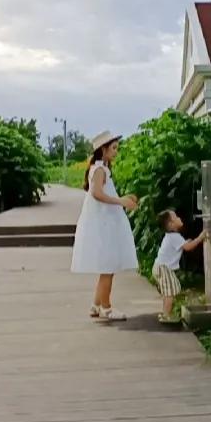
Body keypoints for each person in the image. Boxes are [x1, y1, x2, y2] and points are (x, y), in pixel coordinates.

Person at [71, 131, 139, 321]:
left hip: (104, 221)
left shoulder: (100, 168)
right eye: (114, 148)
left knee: (106, 265)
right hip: (104, 224)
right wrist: (121, 201)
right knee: (108, 266)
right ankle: (106, 308)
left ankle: (96, 305)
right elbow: (97, 194)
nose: (116, 151)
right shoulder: (100, 169)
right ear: (103, 149)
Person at [153, 210, 205, 322]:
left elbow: (183, 245)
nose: (179, 218)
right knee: (170, 292)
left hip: (161, 267)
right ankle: (166, 315)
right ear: (171, 224)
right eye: (176, 217)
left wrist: (186, 242)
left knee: (169, 291)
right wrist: (200, 238)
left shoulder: (172, 236)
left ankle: (165, 313)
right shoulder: (174, 237)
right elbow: (188, 247)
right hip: (164, 268)